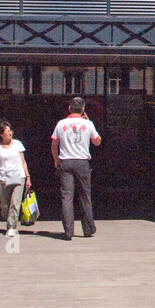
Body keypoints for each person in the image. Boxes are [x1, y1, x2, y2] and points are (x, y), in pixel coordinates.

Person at [51, 96, 102, 241]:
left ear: (69, 108)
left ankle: (68, 231)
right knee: (85, 196)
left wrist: (56, 160)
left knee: (67, 197)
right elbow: (97, 142)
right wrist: (88, 121)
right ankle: (88, 228)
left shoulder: (61, 124)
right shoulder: (88, 124)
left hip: (65, 162)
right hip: (82, 163)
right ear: (83, 109)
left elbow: (54, 144)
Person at [0, 119, 30, 237]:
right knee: (5, 205)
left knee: (15, 203)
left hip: (19, 176)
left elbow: (23, 162)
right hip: (4, 178)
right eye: (7, 131)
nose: (10, 133)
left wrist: (28, 177)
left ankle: (12, 227)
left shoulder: (18, 144)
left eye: (10, 131)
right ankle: (8, 217)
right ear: (1, 134)